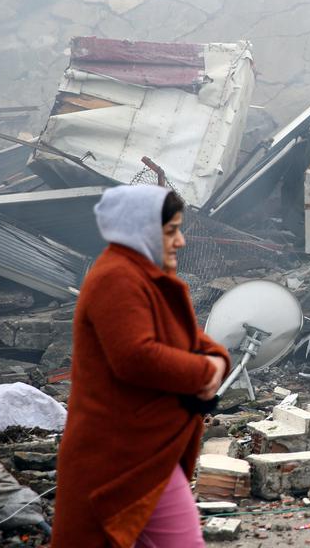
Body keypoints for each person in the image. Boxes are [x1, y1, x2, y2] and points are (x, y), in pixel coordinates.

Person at [52, 185, 231, 547]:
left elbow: (187, 338)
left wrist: (216, 359)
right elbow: (136, 357)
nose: (180, 241)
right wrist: (206, 372)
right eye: (171, 231)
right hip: (125, 456)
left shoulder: (142, 276)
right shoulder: (117, 279)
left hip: (143, 449)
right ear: (141, 230)